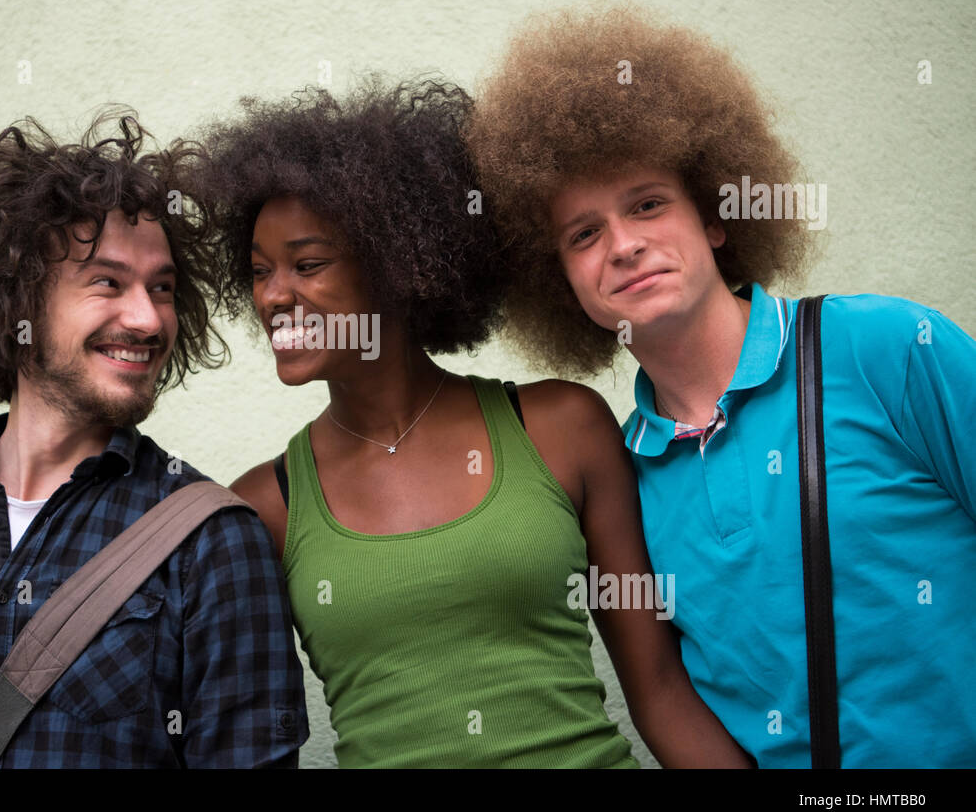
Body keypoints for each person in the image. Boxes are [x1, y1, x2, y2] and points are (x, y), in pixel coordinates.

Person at [190, 75, 751, 767]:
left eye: (307, 263)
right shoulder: (264, 505)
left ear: (397, 263)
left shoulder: (561, 427)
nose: (274, 295)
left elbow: (661, 691)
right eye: (258, 271)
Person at [468, 5, 976, 767]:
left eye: (647, 204)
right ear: (561, 280)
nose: (625, 245)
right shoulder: (622, 475)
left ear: (714, 216)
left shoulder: (885, 346)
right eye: (584, 233)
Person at [0, 110, 308, 768]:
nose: (147, 317)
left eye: (162, 288)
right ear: (17, 301)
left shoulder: (212, 541)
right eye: (108, 282)